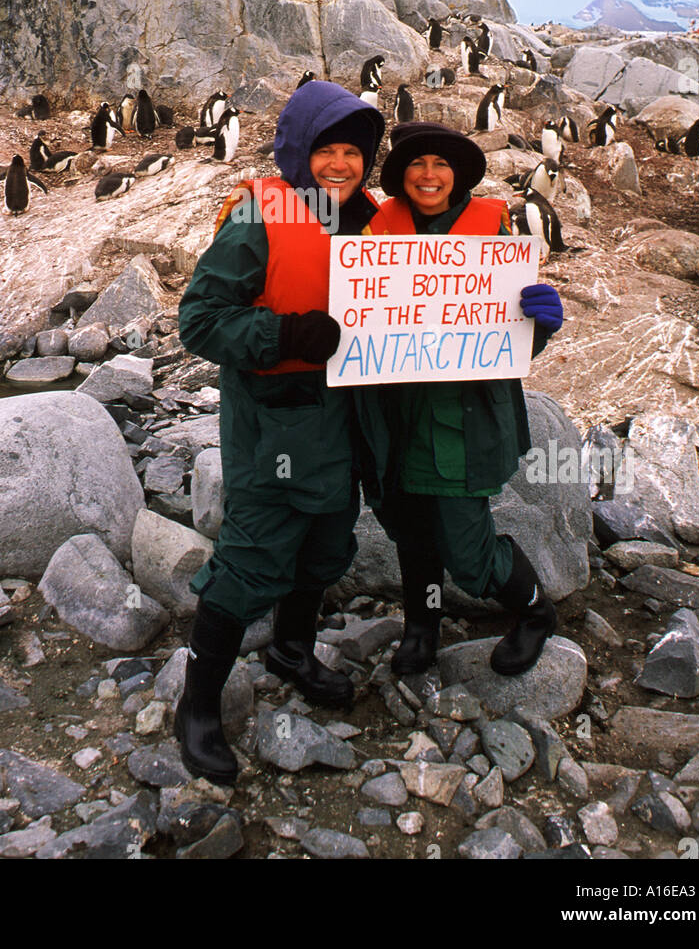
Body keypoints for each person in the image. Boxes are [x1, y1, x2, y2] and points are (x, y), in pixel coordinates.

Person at [174, 80, 389, 785]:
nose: (340, 164)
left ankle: (292, 651)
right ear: (298, 150)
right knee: (252, 557)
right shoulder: (258, 218)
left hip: (350, 423)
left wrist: (525, 313)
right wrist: (284, 332)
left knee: (328, 543)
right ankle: (198, 706)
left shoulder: (379, 222)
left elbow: (443, 300)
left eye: (353, 152)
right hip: (277, 422)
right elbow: (199, 319)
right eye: (326, 148)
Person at [372, 121, 565, 678]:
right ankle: (422, 626)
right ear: (401, 174)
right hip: (397, 415)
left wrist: (539, 318)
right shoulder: (379, 228)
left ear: (458, 173)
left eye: (440, 164)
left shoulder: (491, 224)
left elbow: (511, 328)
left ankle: (533, 610)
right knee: (411, 529)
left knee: (466, 548)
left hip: (465, 418)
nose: (428, 175)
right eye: (416, 164)